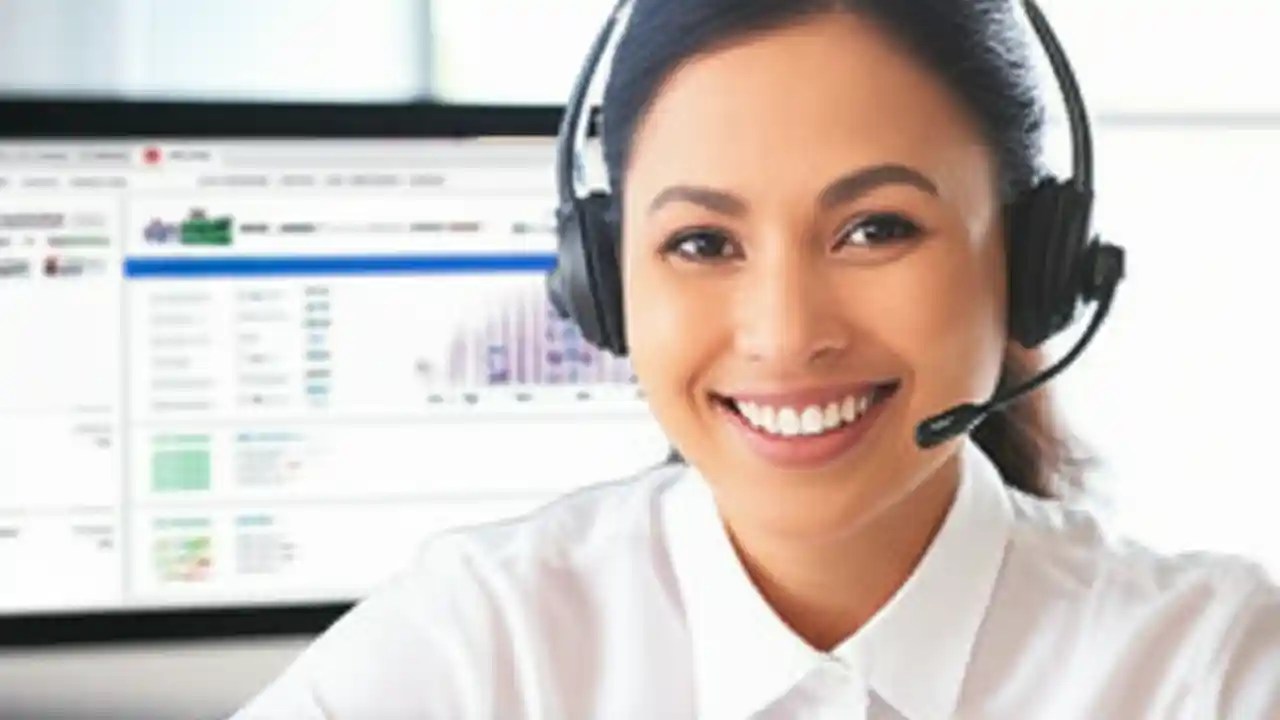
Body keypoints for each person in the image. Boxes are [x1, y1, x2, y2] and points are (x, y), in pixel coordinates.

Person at [233, 0, 1280, 717]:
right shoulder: (482, 642)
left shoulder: (1203, 670)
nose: (785, 334)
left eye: (875, 229)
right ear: (601, 282)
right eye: (701, 244)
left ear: (1030, 263)